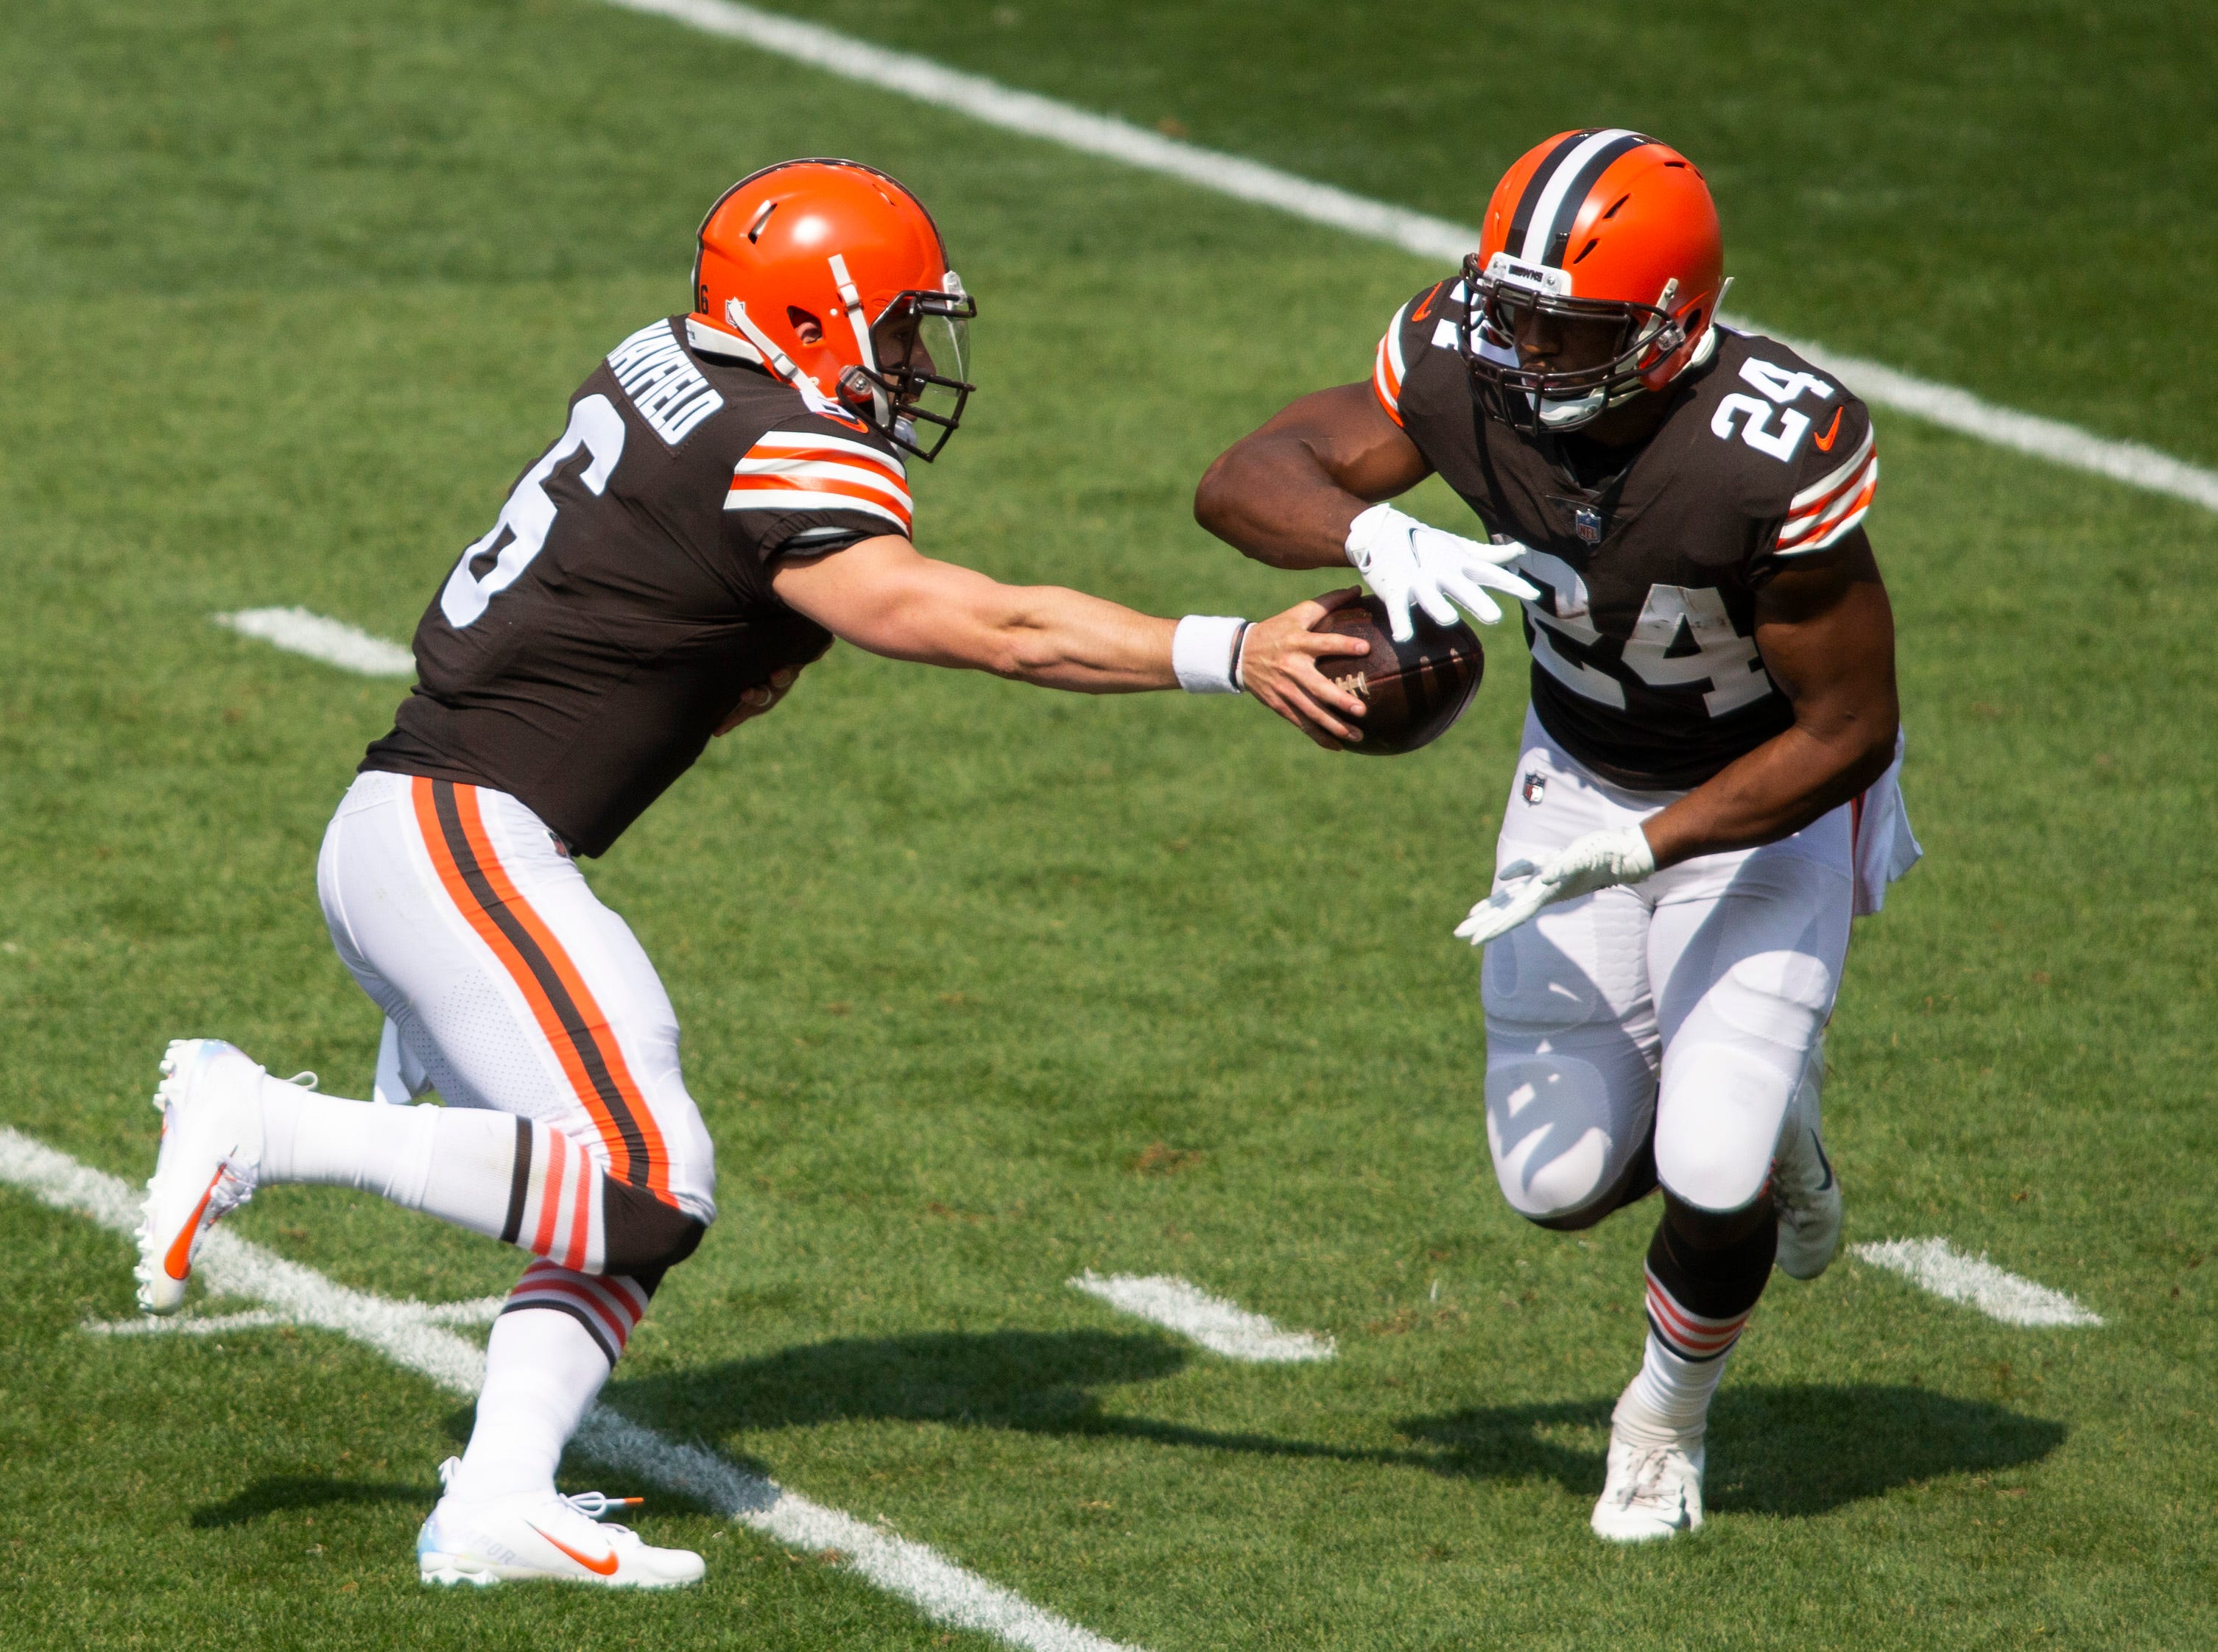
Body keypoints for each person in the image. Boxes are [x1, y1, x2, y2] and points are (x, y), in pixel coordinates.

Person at [133, 158, 1367, 1589]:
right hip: (461, 837)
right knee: (652, 1185)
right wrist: (1232, 650)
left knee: (618, 1197)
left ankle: (498, 1495)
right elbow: (978, 622)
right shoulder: (794, 450)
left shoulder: (663, 365)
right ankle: (268, 1123)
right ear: (815, 315)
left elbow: (683, 600)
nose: (912, 360)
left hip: (431, 825)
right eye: (896, 327)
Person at [1194, 130, 1920, 1541]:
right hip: (1579, 767)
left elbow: (1848, 730)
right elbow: (1246, 476)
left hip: (1761, 794)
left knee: (1710, 1162)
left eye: (1567, 325)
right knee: (1557, 1181)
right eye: (1513, 309)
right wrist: (1364, 535)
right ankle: (1766, 1116)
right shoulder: (1470, 355)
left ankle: (1662, 1424)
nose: (1525, 349)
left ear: (1673, 324)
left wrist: (1651, 850)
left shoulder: (1770, 446)